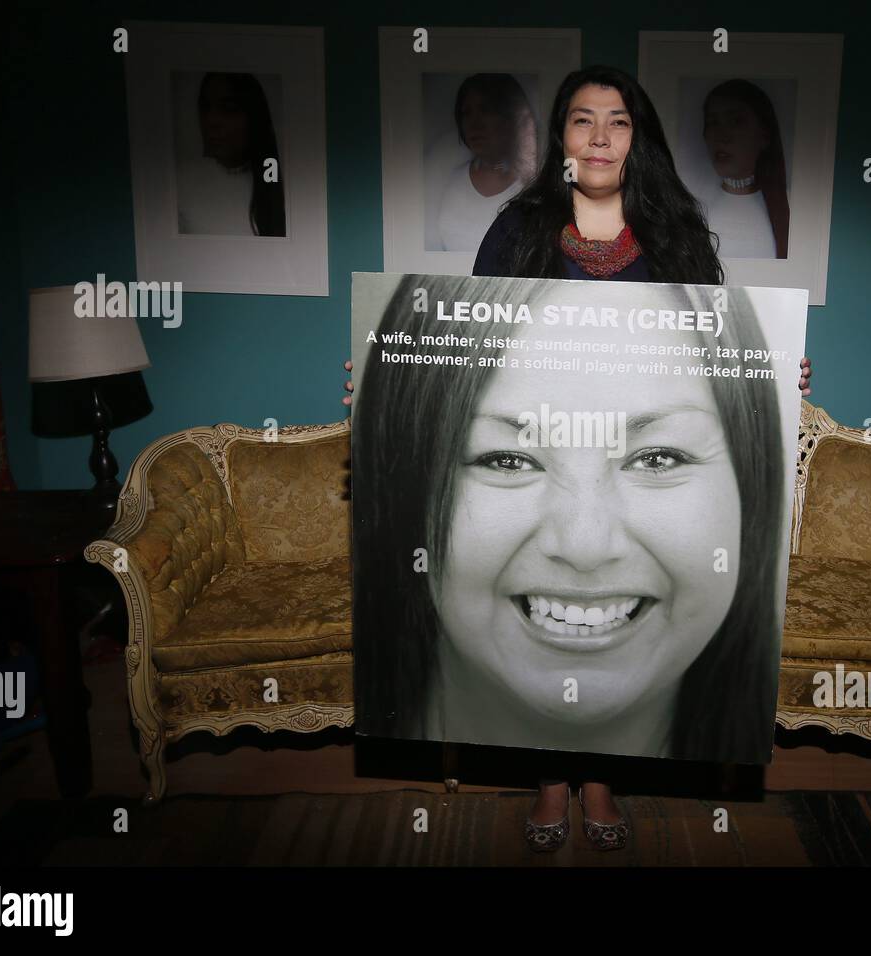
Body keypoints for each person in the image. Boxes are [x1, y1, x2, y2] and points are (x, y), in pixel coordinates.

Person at [345, 65, 812, 852]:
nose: (599, 136)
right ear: (558, 139)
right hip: (541, 448)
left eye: (619, 121)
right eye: (582, 120)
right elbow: (467, 355)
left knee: (608, 592)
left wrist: (777, 376)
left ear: (639, 139)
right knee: (553, 591)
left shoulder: (680, 237)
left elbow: (714, 359)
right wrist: (392, 367)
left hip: (627, 453)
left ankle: (600, 779)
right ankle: (552, 781)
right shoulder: (514, 234)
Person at [426, 74, 538, 253]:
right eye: (466, 113)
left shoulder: (532, 189)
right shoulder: (450, 180)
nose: (474, 123)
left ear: (511, 117)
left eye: (487, 110)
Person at [176, 72, 286, 237]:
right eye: (205, 107)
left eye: (229, 109)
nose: (211, 120)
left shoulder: (285, 184)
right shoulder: (179, 184)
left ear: (253, 117)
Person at [699, 79, 790, 259]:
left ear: (764, 135)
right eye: (713, 122)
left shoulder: (791, 209)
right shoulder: (693, 211)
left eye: (736, 121)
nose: (721, 136)